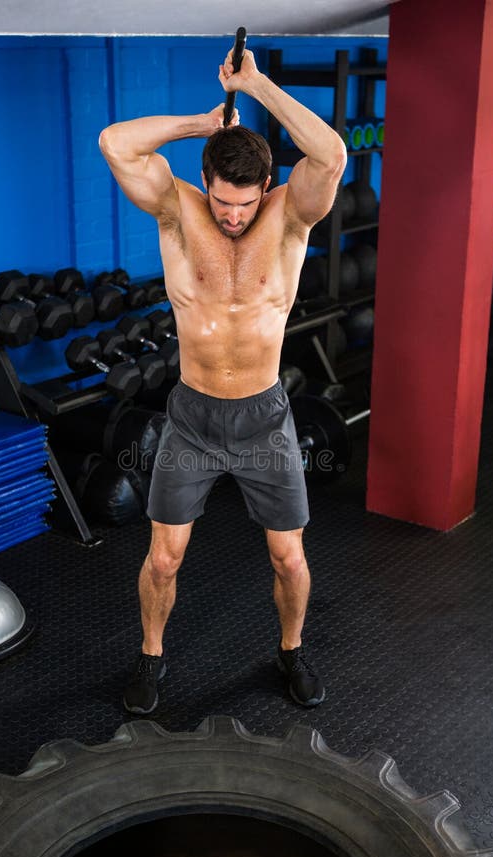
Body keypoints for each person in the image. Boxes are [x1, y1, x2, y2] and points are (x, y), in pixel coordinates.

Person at [99, 43, 347, 715]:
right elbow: (115, 143)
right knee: (164, 559)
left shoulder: (290, 215)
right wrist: (200, 126)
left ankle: (290, 652)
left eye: (241, 204)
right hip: (194, 418)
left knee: (289, 560)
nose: (230, 216)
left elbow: (330, 155)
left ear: (264, 189)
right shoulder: (178, 211)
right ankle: (151, 657)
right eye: (220, 200)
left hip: (265, 417)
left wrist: (258, 85)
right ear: (204, 183)